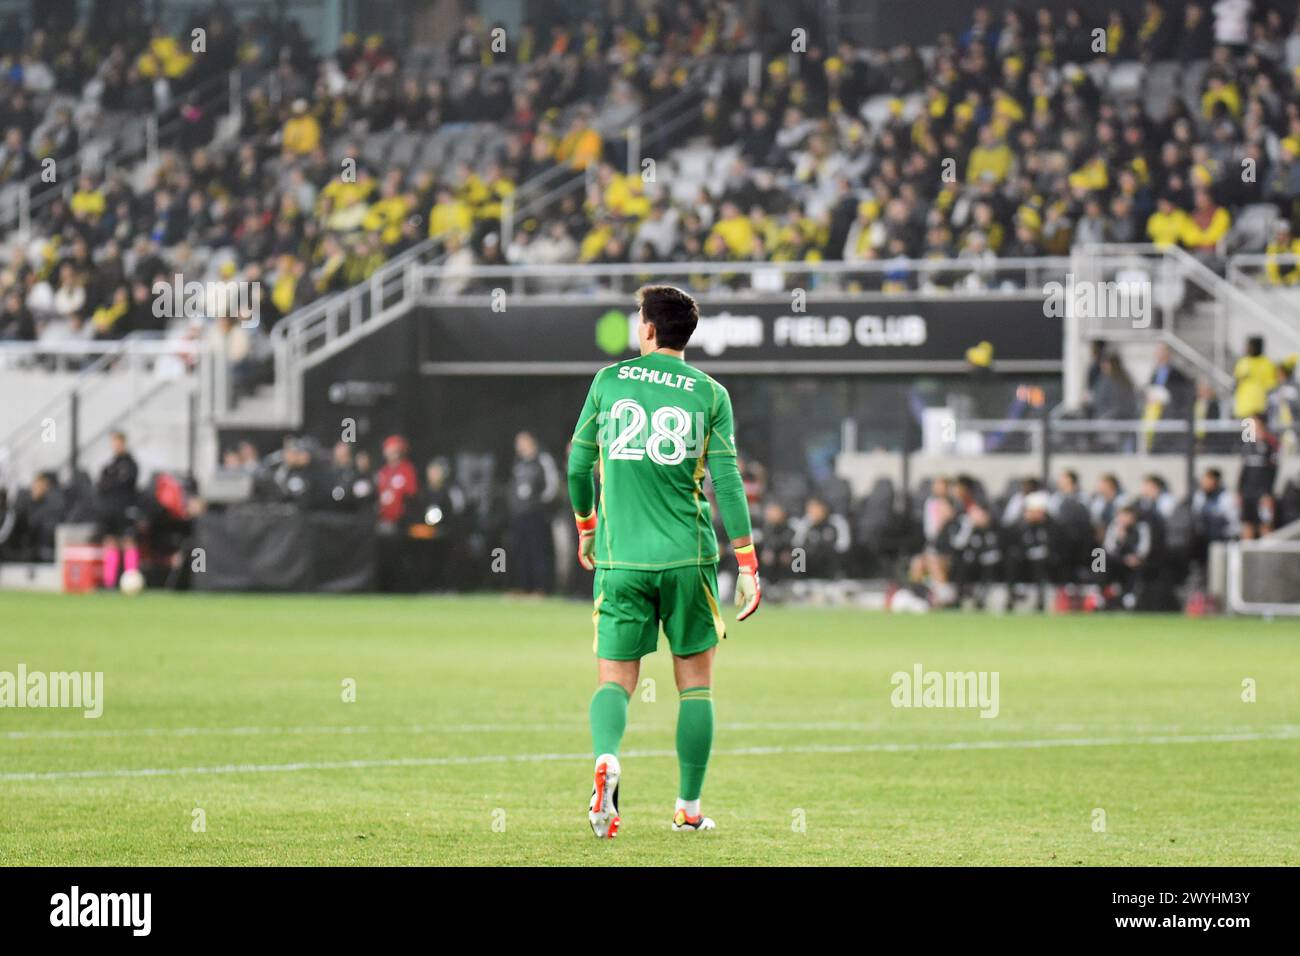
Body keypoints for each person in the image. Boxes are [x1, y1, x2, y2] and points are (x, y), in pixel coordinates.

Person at [567, 285, 758, 839]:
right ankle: (688, 808)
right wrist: (746, 561)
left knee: (615, 679)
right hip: (687, 557)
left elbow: (579, 467)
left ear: (648, 329)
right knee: (695, 686)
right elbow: (726, 479)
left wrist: (587, 526)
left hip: (620, 556)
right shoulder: (710, 394)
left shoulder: (609, 382)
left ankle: (607, 758)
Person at [507, 430, 560, 595]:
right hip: (519, 515)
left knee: (539, 551)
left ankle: (541, 588)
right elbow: (513, 487)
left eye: (522, 441)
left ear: (532, 442)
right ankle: (523, 587)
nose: (519, 446)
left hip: (536, 514)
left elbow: (553, 486)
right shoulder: (518, 463)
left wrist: (541, 504)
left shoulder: (543, 459)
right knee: (521, 551)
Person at [95, 430, 140, 590]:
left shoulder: (131, 464)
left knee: (128, 541)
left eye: (118, 442)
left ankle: (132, 577)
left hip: (125, 508)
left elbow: (122, 483)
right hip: (110, 510)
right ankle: (109, 582)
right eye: (113, 442)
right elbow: (102, 485)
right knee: (110, 542)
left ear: (124, 443)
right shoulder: (110, 465)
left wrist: (111, 482)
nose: (115, 445)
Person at [1239, 414, 1279, 539]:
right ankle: (1246, 555)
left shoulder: (1269, 445)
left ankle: (1267, 555)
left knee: (1265, 525)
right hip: (1248, 493)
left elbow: (1272, 472)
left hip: (1262, 494)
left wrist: (1268, 494)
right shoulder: (1248, 446)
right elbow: (1244, 470)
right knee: (1247, 524)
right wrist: (1239, 491)